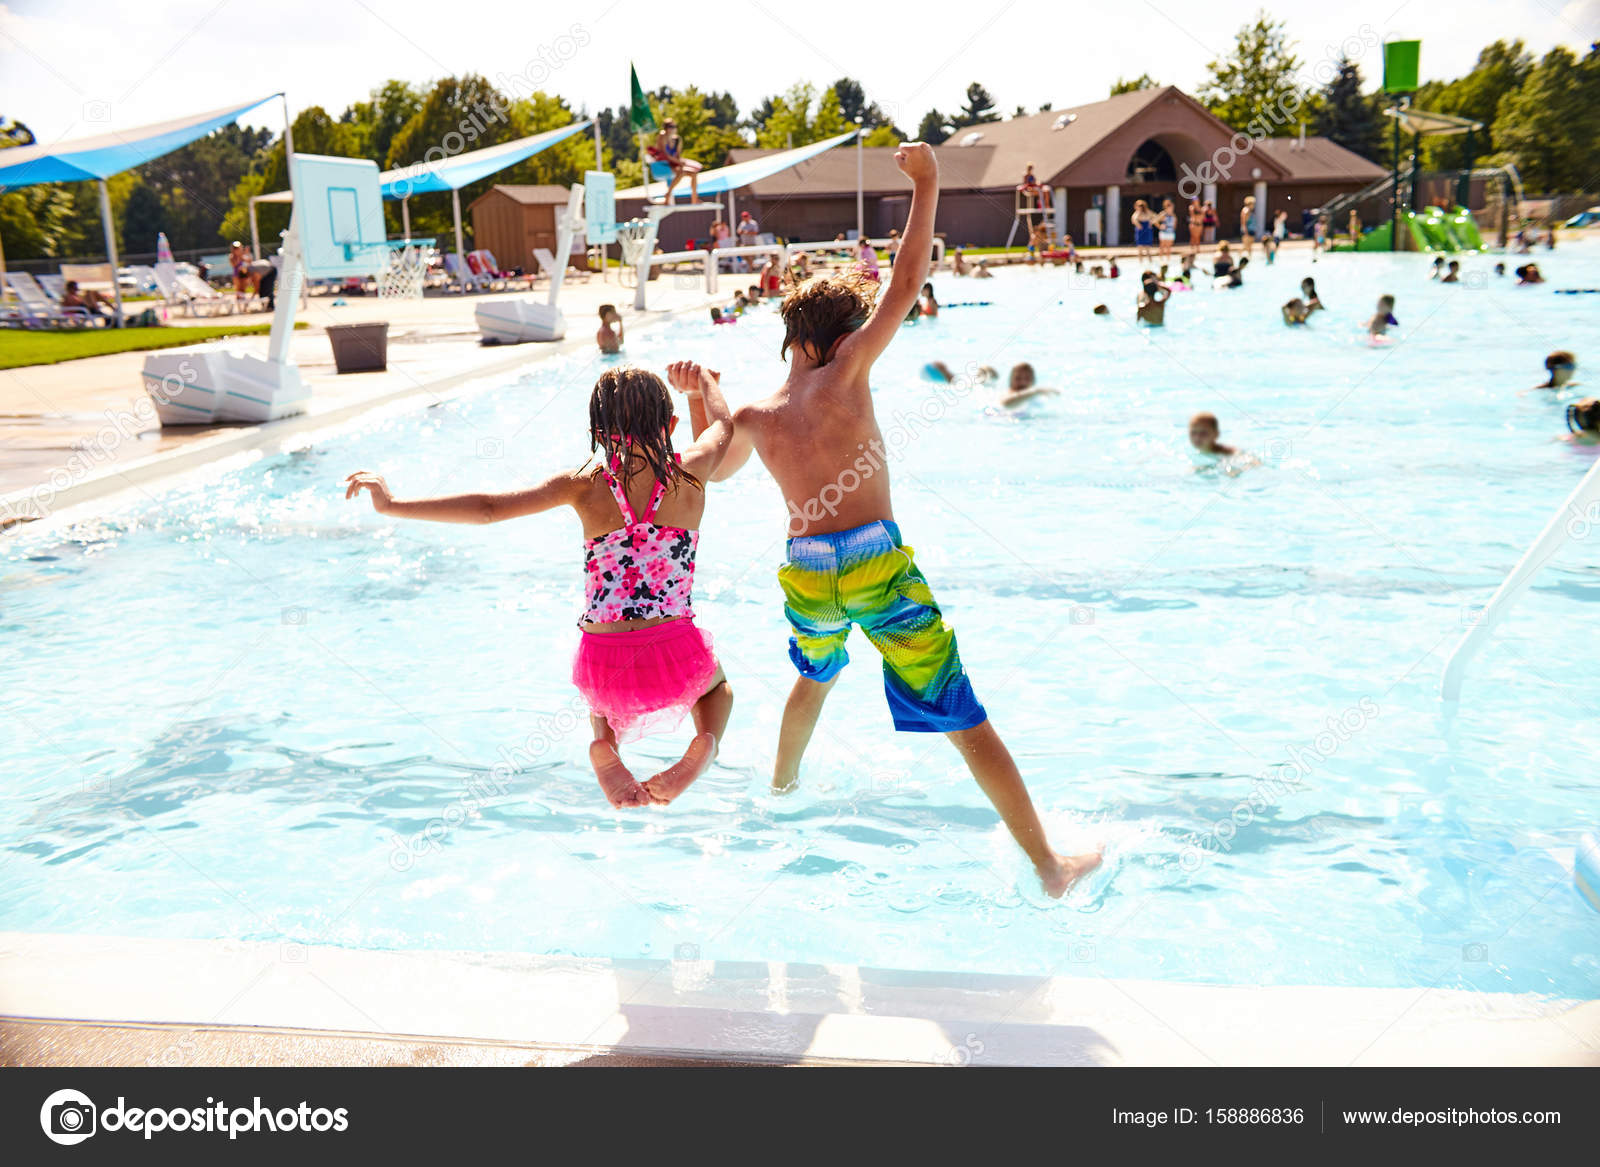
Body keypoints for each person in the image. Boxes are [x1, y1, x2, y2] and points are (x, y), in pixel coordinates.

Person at [692, 142, 1102, 898]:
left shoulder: (755, 412)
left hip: (809, 572)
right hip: (875, 564)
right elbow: (908, 280)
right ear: (839, 340)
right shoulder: (848, 371)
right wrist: (928, 181)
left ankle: (780, 800)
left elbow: (716, 465)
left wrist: (707, 398)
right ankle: (1050, 865)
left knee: (812, 680)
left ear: (790, 340)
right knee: (962, 717)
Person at [345, 363, 738, 808]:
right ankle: (706, 743)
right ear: (670, 425)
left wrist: (393, 503)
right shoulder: (693, 470)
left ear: (596, 430)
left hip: (604, 659)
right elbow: (723, 425)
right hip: (673, 649)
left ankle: (605, 742)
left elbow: (489, 508)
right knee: (715, 688)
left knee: (602, 694)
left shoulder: (583, 485)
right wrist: (705, 383)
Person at [648, 119, 702, 204]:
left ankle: (694, 198)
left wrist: (682, 164)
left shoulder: (677, 139)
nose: (673, 129)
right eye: (671, 126)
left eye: (674, 126)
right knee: (681, 172)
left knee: (693, 173)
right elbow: (665, 155)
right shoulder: (662, 136)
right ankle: (668, 194)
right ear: (666, 128)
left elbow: (677, 156)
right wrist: (680, 163)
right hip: (662, 164)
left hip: (672, 164)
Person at [1131, 199, 1155, 264]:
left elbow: (1155, 216)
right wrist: (1138, 225)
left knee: (1148, 249)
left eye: (1141, 205)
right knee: (1140, 248)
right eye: (1138, 205)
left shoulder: (1148, 212)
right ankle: (1140, 263)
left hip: (1147, 230)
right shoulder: (1137, 213)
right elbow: (1133, 219)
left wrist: (1151, 222)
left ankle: (1150, 263)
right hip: (1140, 231)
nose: (1139, 207)